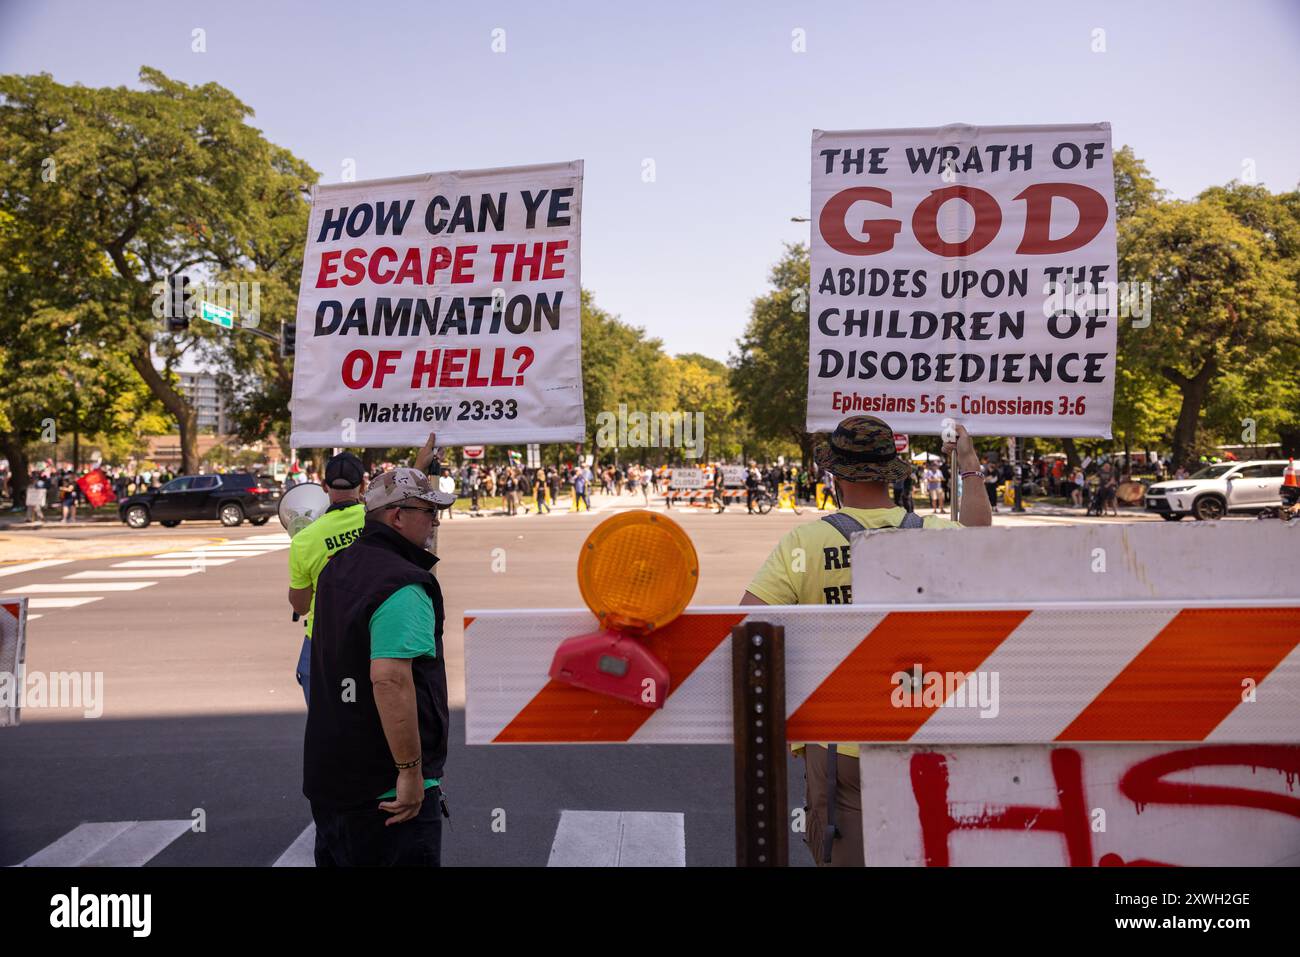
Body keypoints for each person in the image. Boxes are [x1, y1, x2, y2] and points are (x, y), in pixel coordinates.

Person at [739, 415, 992, 867]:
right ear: (893, 472)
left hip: (839, 739)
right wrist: (968, 463)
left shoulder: (806, 542)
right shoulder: (934, 536)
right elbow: (980, 540)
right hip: (927, 729)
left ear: (834, 475)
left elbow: (750, 625)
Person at [304, 466, 454, 867]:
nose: (436, 519)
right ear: (398, 516)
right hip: (384, 794)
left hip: (332, 781)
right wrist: (408, 772)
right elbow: (390, 681)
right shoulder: (403, 583)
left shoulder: (338, 566)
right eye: (428, 510)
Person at [289, 437, 441, 705]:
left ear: (324, 486)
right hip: (380, 634)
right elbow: (402, 495)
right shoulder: (377, 518)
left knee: (328, 722)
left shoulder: (305, 539)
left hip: (325, 640)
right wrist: (420, 464)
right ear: (361, 485)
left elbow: (300, 606)